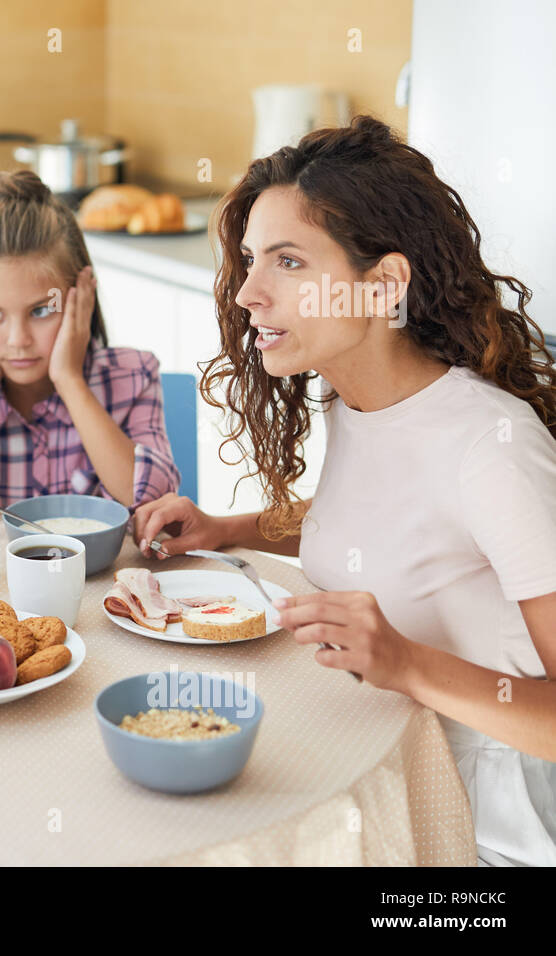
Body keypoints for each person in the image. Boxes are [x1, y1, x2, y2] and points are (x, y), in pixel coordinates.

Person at [132, 115, 556, 866]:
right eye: (252, 260)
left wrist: (406, 662)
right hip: (375, 776)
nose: (249, 294)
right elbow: (383, 526)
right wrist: (228, 529)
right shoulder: (350, 396)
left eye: (288, 262)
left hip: (493, 834)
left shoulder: (493, 450)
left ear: (384, 285)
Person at [0, 170, 180, 524]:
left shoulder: (132, 378)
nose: (17, 339)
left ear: (82, 297)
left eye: (40, 311)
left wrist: (69, 379)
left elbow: (155, 502)